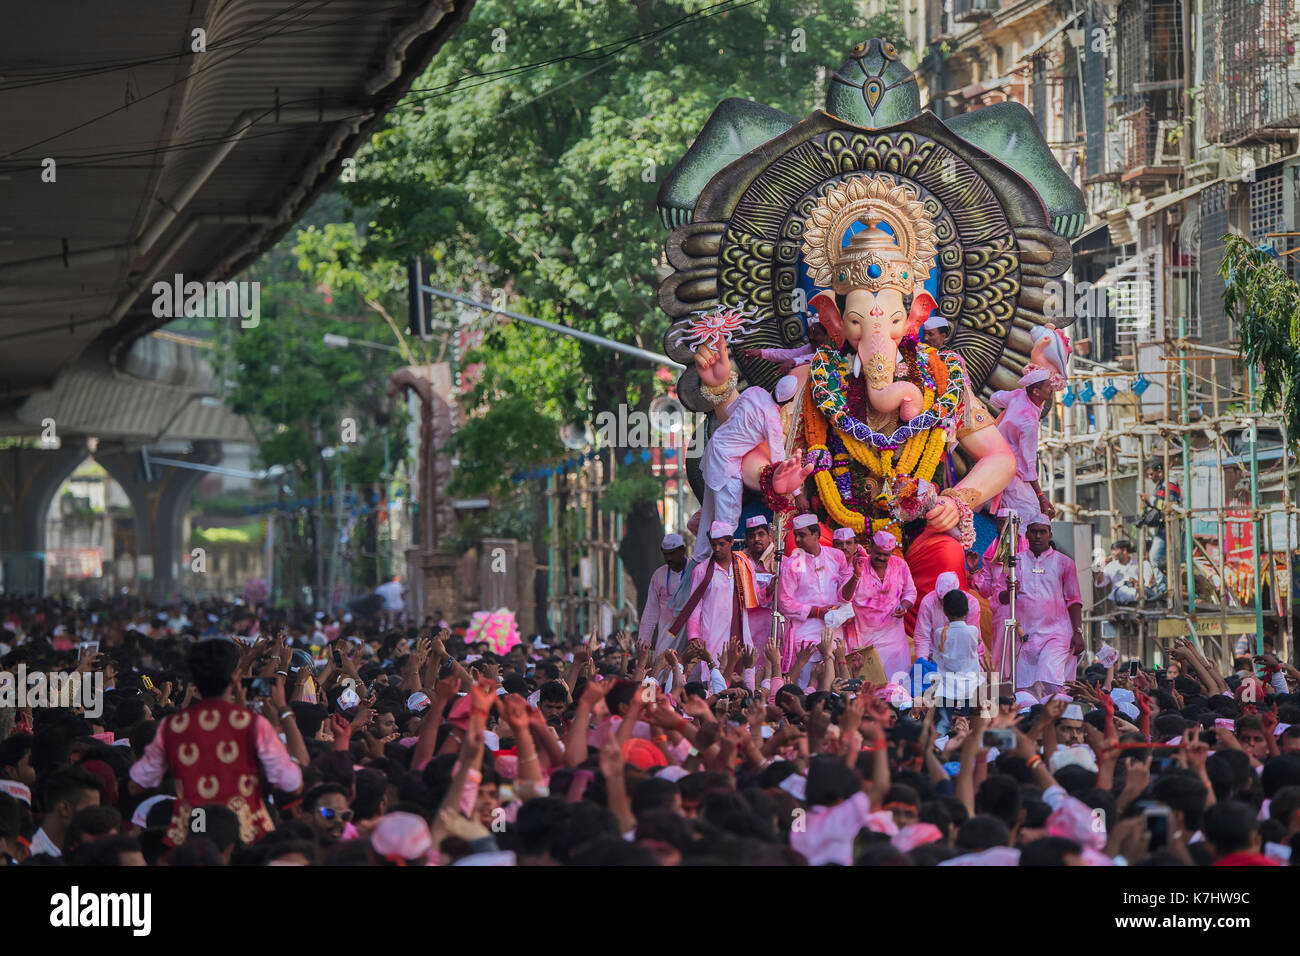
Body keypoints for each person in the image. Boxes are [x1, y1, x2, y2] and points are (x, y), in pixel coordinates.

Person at [129, 638, 303, 846]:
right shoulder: (253, 724)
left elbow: (137, 784)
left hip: (193, 834)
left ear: (194, 679)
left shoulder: (172, 725)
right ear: (233, 679)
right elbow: (291, 784)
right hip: (245, 835)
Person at [692, 375, 799, 562]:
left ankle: (699, 561)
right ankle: (723, 569)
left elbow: (731, 409)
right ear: (790, 401)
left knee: (708, 514)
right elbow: (779, 460)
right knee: (729, 520)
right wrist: (797, 493)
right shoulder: (773, 420)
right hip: (726, 463)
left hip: (714, 448)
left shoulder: (754, 391)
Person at [1004, 514, 1083, 695]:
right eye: (1034, 532)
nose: (1038, 536)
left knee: (1051, 682)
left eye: (1042, 532)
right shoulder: (1016, 562)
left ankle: (1058, 719)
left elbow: (1074, 600)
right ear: (1027, 535)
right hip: (1025, 637)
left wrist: (1078, 632)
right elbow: (1002, 598)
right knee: (1024, 690)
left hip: (1057, 634)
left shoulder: (1065, 563)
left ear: (1050, 535)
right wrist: (1010, 589)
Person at [671, 521, 763, 670]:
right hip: (713, 633)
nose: (716, 548)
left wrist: (771, 589)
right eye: (713, 544)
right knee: (714, 674)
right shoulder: (701, 570)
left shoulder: (745, 565)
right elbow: (694, 606)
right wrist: (694, 635)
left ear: (731, 542)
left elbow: (756, 597)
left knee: (743, 676)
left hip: (740, 631)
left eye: (721, 544)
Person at [778, 514, 852, 683]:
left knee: (837, 686)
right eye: (795, 535)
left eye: (802, 535)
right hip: (805, 635)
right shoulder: (791, 564)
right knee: (807, 687)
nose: (797, 539)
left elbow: (844, 592)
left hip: (834, 631)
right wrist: (815, 611)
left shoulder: (836, 557)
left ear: (816, 535)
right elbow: (784, 602)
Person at [841, 531, 917, 684]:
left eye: (886, 554)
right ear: (871, 546)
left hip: (894, 639)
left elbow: (910, 592)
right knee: (868, 690)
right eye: (878, 553)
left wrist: (905, 606)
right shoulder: (858, 565)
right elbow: (844, 597)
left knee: (897, 688)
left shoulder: (900, 565)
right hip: (864, 639)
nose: (882, 558)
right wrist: (856, 576)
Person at [988, 368, 1055, 524]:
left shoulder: (1019, 395)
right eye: (1047, 385)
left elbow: (994, 399)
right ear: (1037, 392)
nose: (1051, 388)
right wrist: (1040, 495)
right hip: (1013, 475)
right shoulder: (1029, 423)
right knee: (1028, 519)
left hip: (996, 462)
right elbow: (1028, 465)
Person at [929, 590, 983, 736]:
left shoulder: (939, 633)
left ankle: (939, 748)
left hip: (947, 686)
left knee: (943, 723)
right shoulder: (972, 630)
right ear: (967, 610)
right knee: (968, 721)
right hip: (970, 685)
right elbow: (975, 643)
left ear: (945, 611)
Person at [913, 570, 982, 665]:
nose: (943, 604)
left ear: (958, 590)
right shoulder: (928, 602)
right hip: (936, 658)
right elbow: (922, 636)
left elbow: (973, 641)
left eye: (946, 601)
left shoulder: (972, 603)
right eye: (940, 600)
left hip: (965, 658)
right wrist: (924, 662)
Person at [638, 533, 689, 654]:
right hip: (666, 638)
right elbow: (651, 610)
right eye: (666, 554)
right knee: (662, 669)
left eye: (672, 553)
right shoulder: (658, 575)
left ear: (683, 550)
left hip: (689, 636)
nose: (669, 558)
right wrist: (643, 641)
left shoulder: (695, 570)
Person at [743, 516, 778, 657]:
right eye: (752, 536)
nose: (756, 539)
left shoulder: (779, 561)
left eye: (760, 534)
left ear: (770, 536)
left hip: (770, 625)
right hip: (747, 624)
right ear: (746, 538)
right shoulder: (740, 561)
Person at [1139, 457, 1181, 568]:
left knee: (1155, 557)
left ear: (1160, 471)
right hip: (1163, 525)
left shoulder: (1170, 482)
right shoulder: (1161, 484)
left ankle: (1162, 585)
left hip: (1171, 525)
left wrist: (1150, 498)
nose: (1149, 477)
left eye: (1151, 474)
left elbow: (1168, 506)